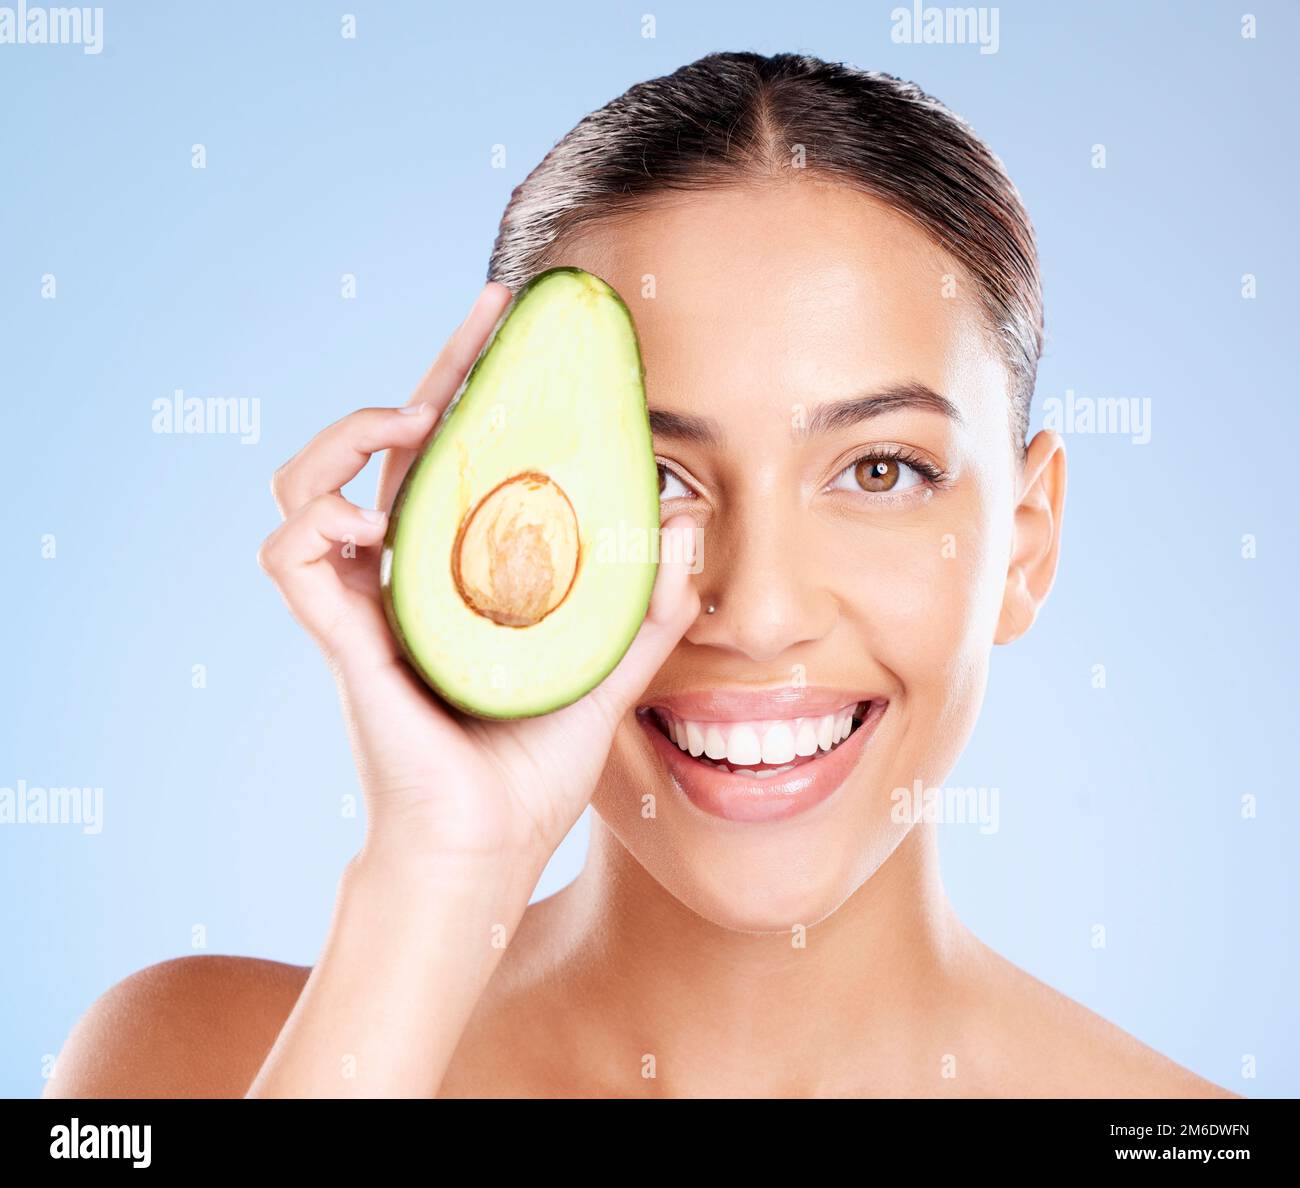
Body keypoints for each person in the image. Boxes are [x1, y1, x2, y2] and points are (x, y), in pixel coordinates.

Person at [46, 51, 1235, 1098]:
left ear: (1026, 543)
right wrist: (437, 875)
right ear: (484, 517)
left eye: (878, 471)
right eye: (658, 476)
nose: (758, 613)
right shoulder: (194, 1060)